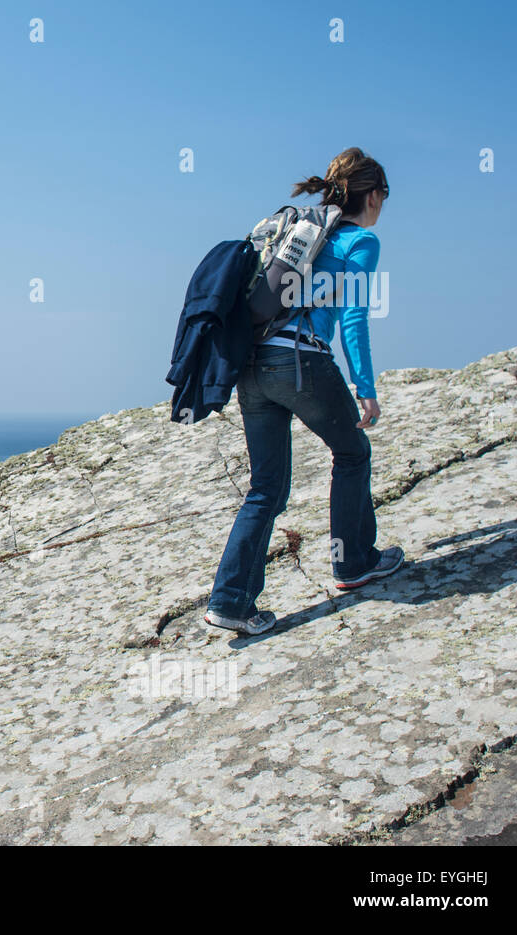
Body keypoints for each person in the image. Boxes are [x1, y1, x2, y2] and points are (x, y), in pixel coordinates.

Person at [205, 148, 405, 636]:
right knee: (353, 451)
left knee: (266, 488)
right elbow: (355, 316)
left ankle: (230, 601)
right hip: (299, 361)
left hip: (251, 366)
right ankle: (354, 562)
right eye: (385, 194)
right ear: (372, 194)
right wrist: (365, 387)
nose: (384, 204)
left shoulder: (296, 235)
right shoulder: (361, 240)